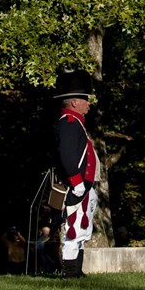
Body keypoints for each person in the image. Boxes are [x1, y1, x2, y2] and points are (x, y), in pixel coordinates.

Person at [53, 70, 98, 277]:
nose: (88, 103)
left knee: (81, 228)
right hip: (76, 185)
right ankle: (70, 272)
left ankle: (76, 270)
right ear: (73, 103)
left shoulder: (75, 122)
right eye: (85, 99)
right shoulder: (69, 123)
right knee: (74, 228)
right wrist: (76, 181)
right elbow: (67, 154)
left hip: (84, 185)